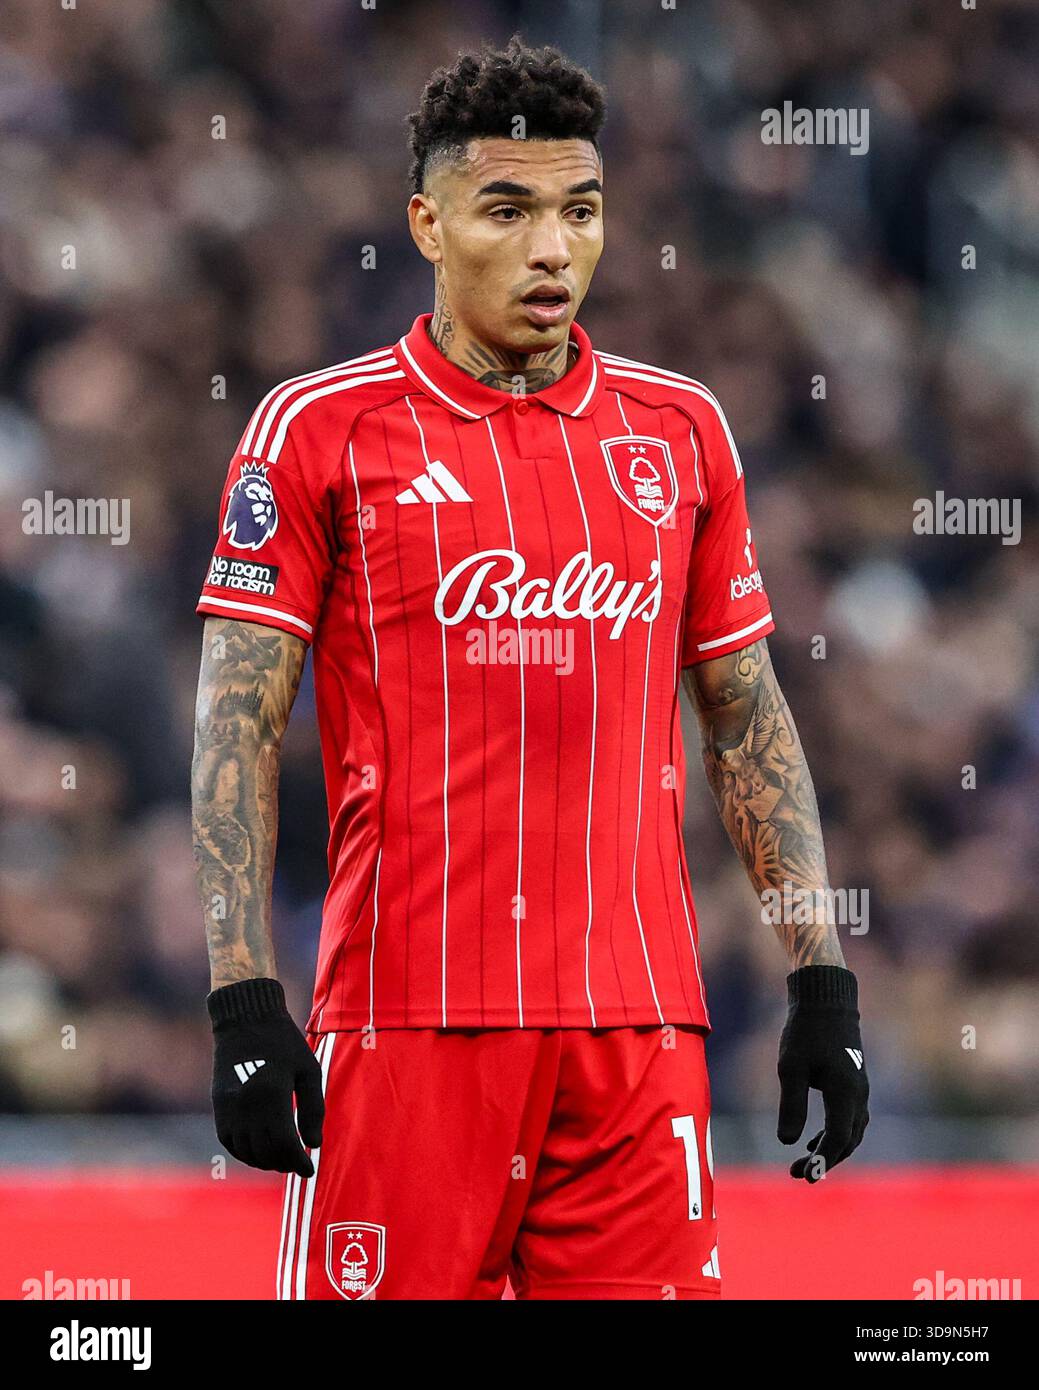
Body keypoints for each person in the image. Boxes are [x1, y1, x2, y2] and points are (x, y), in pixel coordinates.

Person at [191, 35, 868, 1302]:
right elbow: (235, 723)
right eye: (508, 210)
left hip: (638, 1035)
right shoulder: (317, 430)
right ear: (428, 224)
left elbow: (744, 717)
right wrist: (242, 1001)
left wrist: (819, 976)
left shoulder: (682, 431)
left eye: (581, 209)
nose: (553, 247)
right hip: (405, 1029)